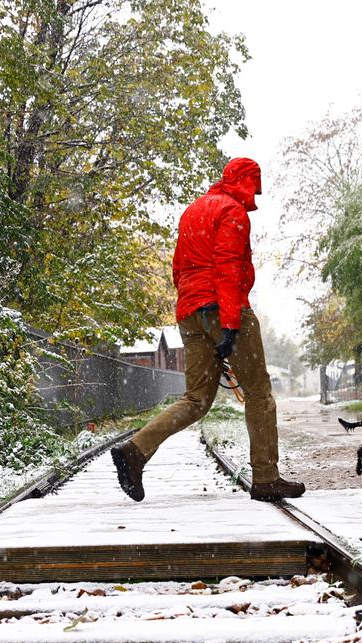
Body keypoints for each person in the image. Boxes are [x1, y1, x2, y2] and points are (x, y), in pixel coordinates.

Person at [111, 157, 305, 503]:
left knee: (196, 399)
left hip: (190, 311)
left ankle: (135, 450)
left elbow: (178, 268)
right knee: (259, 393)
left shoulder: (193, 211)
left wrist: (195, 309)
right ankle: (265, 478)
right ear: (245, 181)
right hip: (223, 308)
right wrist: (229, 325)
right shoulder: (232, 212)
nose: (255, 195)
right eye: (254, 186)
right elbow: (228, 268)